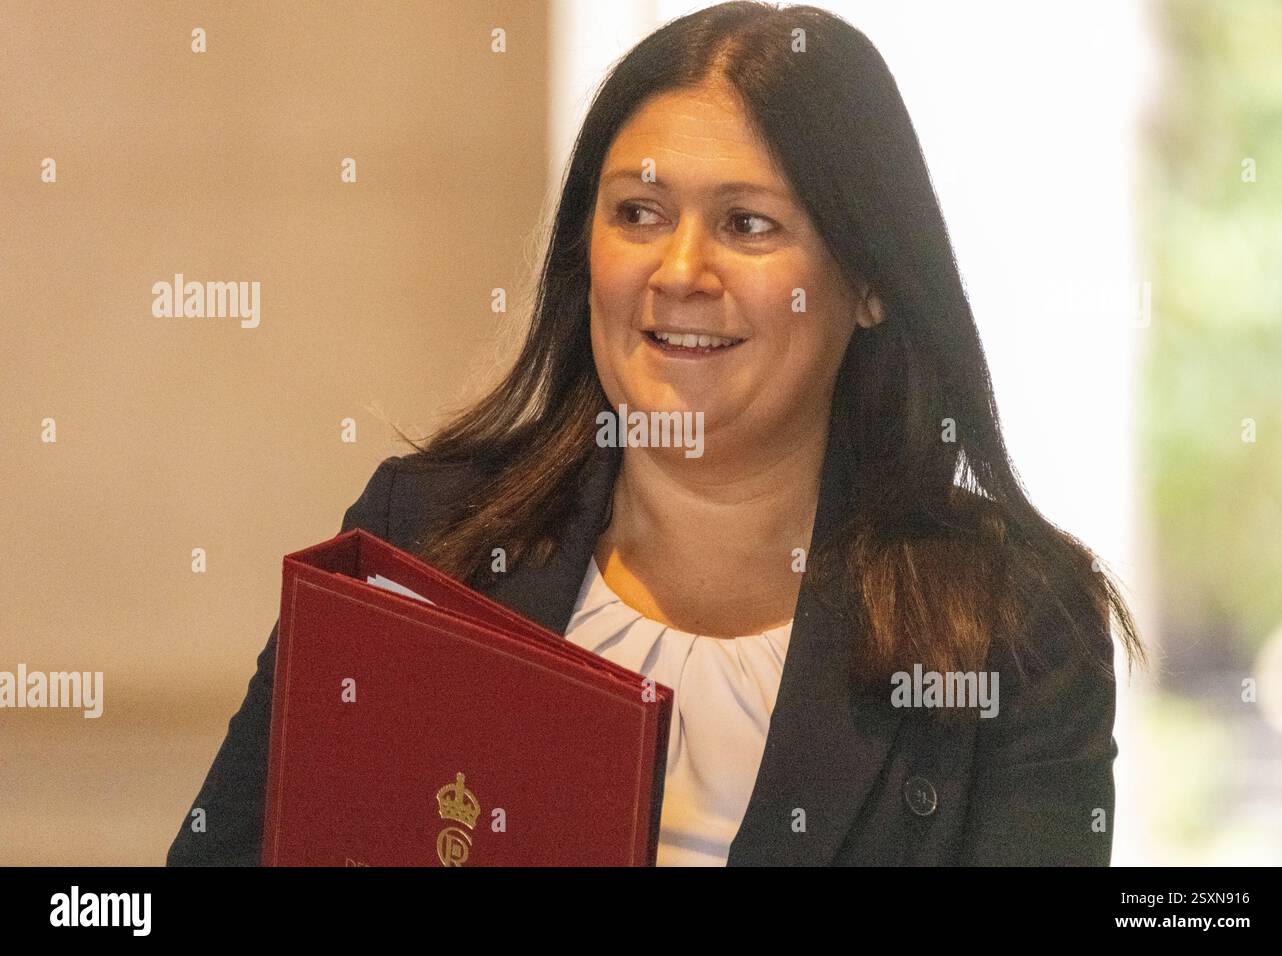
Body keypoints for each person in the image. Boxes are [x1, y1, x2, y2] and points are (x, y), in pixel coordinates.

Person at [168, 0, 1146, 867]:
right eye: (638, 212)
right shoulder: (422, 536)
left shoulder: (1017, 626)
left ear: (872, 280)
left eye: (747, 225)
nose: (680, 268)